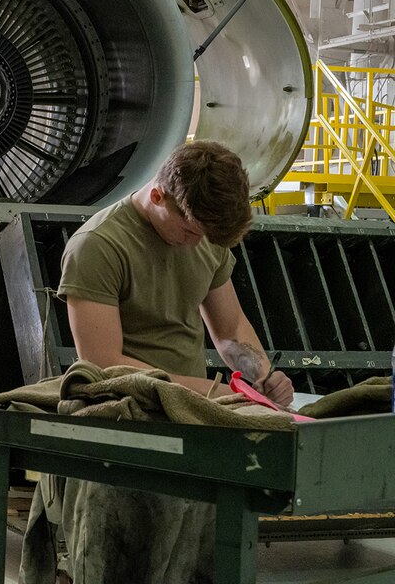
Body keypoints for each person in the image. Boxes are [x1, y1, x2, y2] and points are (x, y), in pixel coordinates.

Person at [26, 140, 294, 583]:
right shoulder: (97, 245)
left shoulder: (203, 237)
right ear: (157, 196)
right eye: (189, 232)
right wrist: (208, 392)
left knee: (200, 563)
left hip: (192, 413)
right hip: (121, 416)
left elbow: (229, 332)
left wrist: (261, 376)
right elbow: (105, 364)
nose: (195, 245)